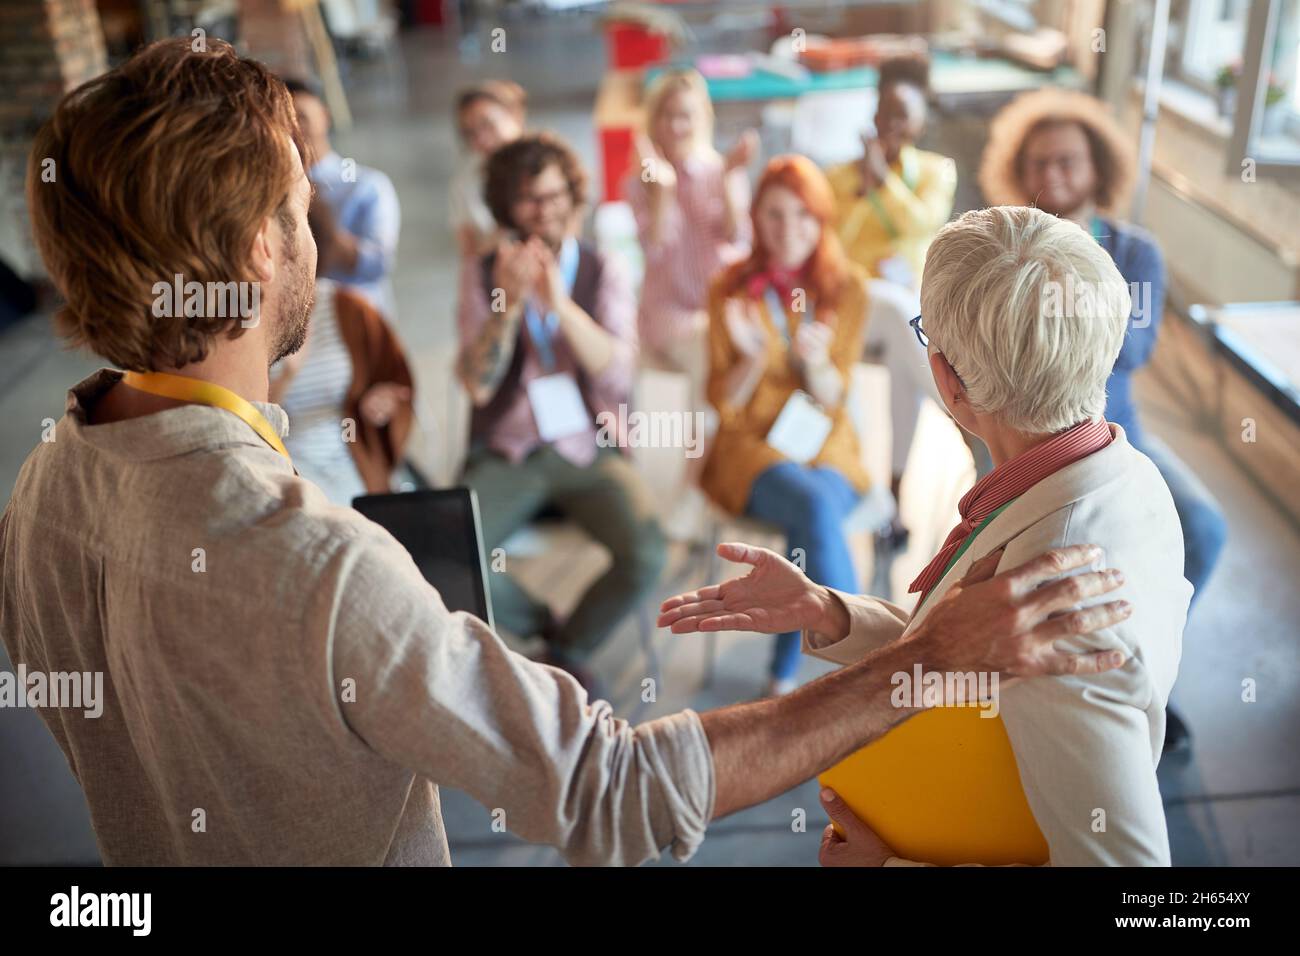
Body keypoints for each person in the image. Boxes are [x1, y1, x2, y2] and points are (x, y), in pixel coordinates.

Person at [1, 39, 1133, 867]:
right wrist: (923, 664)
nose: (316, 234)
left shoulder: (44, 485)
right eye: (299, 209)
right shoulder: (321, 567)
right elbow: (611, 792)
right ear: (261, 244)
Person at [664, 207, 1191, 866]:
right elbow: (972, 648)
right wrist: (834, 612)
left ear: (947, 381)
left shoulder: (1061, 595)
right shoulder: (1117, 474)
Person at [979, 87, 1227, 753]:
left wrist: (1057, 291)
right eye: (1037, 164)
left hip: (1117, 441)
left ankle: (1141, 666)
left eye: (1067, 161)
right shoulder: (1004, 247)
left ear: (1098, 169)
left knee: (1203, 528)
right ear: (1019, 170)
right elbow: (989, 353)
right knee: (1026, 563)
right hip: (1020, 447)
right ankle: (1039, 689)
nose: (1051, 176)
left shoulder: (1136, 252)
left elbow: (1133, 350)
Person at [455, 132, 669, 692]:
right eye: (529, 200)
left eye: (555, 198)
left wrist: (561, 305)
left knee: (646, 551)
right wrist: (508, 306)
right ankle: (540, 624)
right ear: (506, 207)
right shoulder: (481, 273)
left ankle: (570, 648)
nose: (544, 213)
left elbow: (618, 372)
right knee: (449, 553)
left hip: (588, 443)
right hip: (509, 447)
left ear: (575, 200)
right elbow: (477, 388)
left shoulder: (604, 269)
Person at [701, 155, 872, 697]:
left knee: (812, 510)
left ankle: (781, 677)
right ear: (755, 218)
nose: (788, 229)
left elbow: (836, 394)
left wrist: (816, 364)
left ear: (822, 218)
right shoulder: (730, 288)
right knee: (815, 507)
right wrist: (751, 360)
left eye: (803, 214)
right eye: (773, 214)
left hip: (825, 442)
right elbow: (722, 405)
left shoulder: (847, 288)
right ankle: (868, 663)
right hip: (751, 447)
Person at [825, 54, 960, 546]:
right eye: (884, 113)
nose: (892, 124)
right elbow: (832, 243)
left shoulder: (935, 171)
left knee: (909, 355)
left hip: (908, 318)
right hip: (850, 311)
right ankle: (962, 411)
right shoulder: (840, 177)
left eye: (904, 114)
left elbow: (921, 223)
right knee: (904, 320)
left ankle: (892, 501)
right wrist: (863, 188)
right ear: (872, 115)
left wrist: (883, 181)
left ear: (921, 120)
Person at [623, 68, 754, 540]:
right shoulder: (641, 179)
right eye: (666, 117)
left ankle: (734, 470)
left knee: (751, 351)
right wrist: (661, 196)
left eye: (685, 117)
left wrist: (734, 180)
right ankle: (694, 489)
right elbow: (654, 250)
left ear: (700, 119)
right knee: (711, 354)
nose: (676, 127)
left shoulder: (717, 168)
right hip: (667, 313)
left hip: (718, 306)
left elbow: (739, 239)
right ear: (653, 120)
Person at [268, 193, 415, 505]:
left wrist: (380, 405)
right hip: (285, 474)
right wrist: (286, 378)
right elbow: (243, 425)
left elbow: (399, 390)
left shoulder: (350, 310)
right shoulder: (246, 318)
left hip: (352, 467)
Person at [287, 77, 401, 319]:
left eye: (302, 116)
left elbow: (377, 265)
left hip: (359, 320)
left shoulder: (368, 185)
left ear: (325, 116)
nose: (294, 127)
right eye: (284, 120)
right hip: (300, 325)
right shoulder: (271, 190)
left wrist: (324, 230)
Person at [451, 80, 526, 258]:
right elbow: (469, 253)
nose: (482, 139)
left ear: (515, 115)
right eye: (470, 133)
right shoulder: (466, 182)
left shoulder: (549, 165)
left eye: (488, 124)